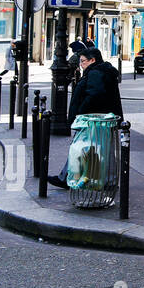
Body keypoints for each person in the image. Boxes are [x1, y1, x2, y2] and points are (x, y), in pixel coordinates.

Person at [47, 47, 123, 189]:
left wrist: (81, 112)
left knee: (79, 147)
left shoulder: (95, 72)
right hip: (102, 119)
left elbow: (95, 93)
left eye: (83, 61)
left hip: (93, 120)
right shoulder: (103, 71)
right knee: (102, 149)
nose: (81, 64)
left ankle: (68, 178)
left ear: (92, 60)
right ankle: (107, 180)